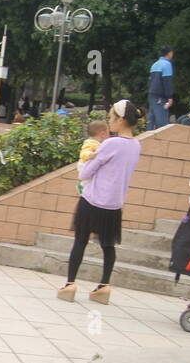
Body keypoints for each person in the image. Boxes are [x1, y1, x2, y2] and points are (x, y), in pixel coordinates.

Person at [58, 100, 143, 305]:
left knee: (80, 241)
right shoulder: (136, 145)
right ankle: (103, 287)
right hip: (114, 204)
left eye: (111, 117)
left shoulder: (111, 143)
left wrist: (89, 159)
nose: (109, 121)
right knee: (108, 245)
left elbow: (85, 172)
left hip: (92, 200)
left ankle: (70, 285)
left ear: (121, 119)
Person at [76, 119, 110, 195]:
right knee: (87, 180)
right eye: (108, 132)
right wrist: (90, 154)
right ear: (103, 133)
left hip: (88, 164)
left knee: (90, 179)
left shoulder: (98, 143)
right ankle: (81, 188)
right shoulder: (90, 142)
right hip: (84, 164)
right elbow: (83, 153)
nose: (109, 134)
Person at [147, 46, 174, 128]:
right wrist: (169, 97)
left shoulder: (154, 64)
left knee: (151, 121)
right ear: (169, 53)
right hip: (160, 97)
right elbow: (167, 81)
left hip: (152, 95)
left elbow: (150, 81)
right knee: (162, 123)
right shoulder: (167, 64)